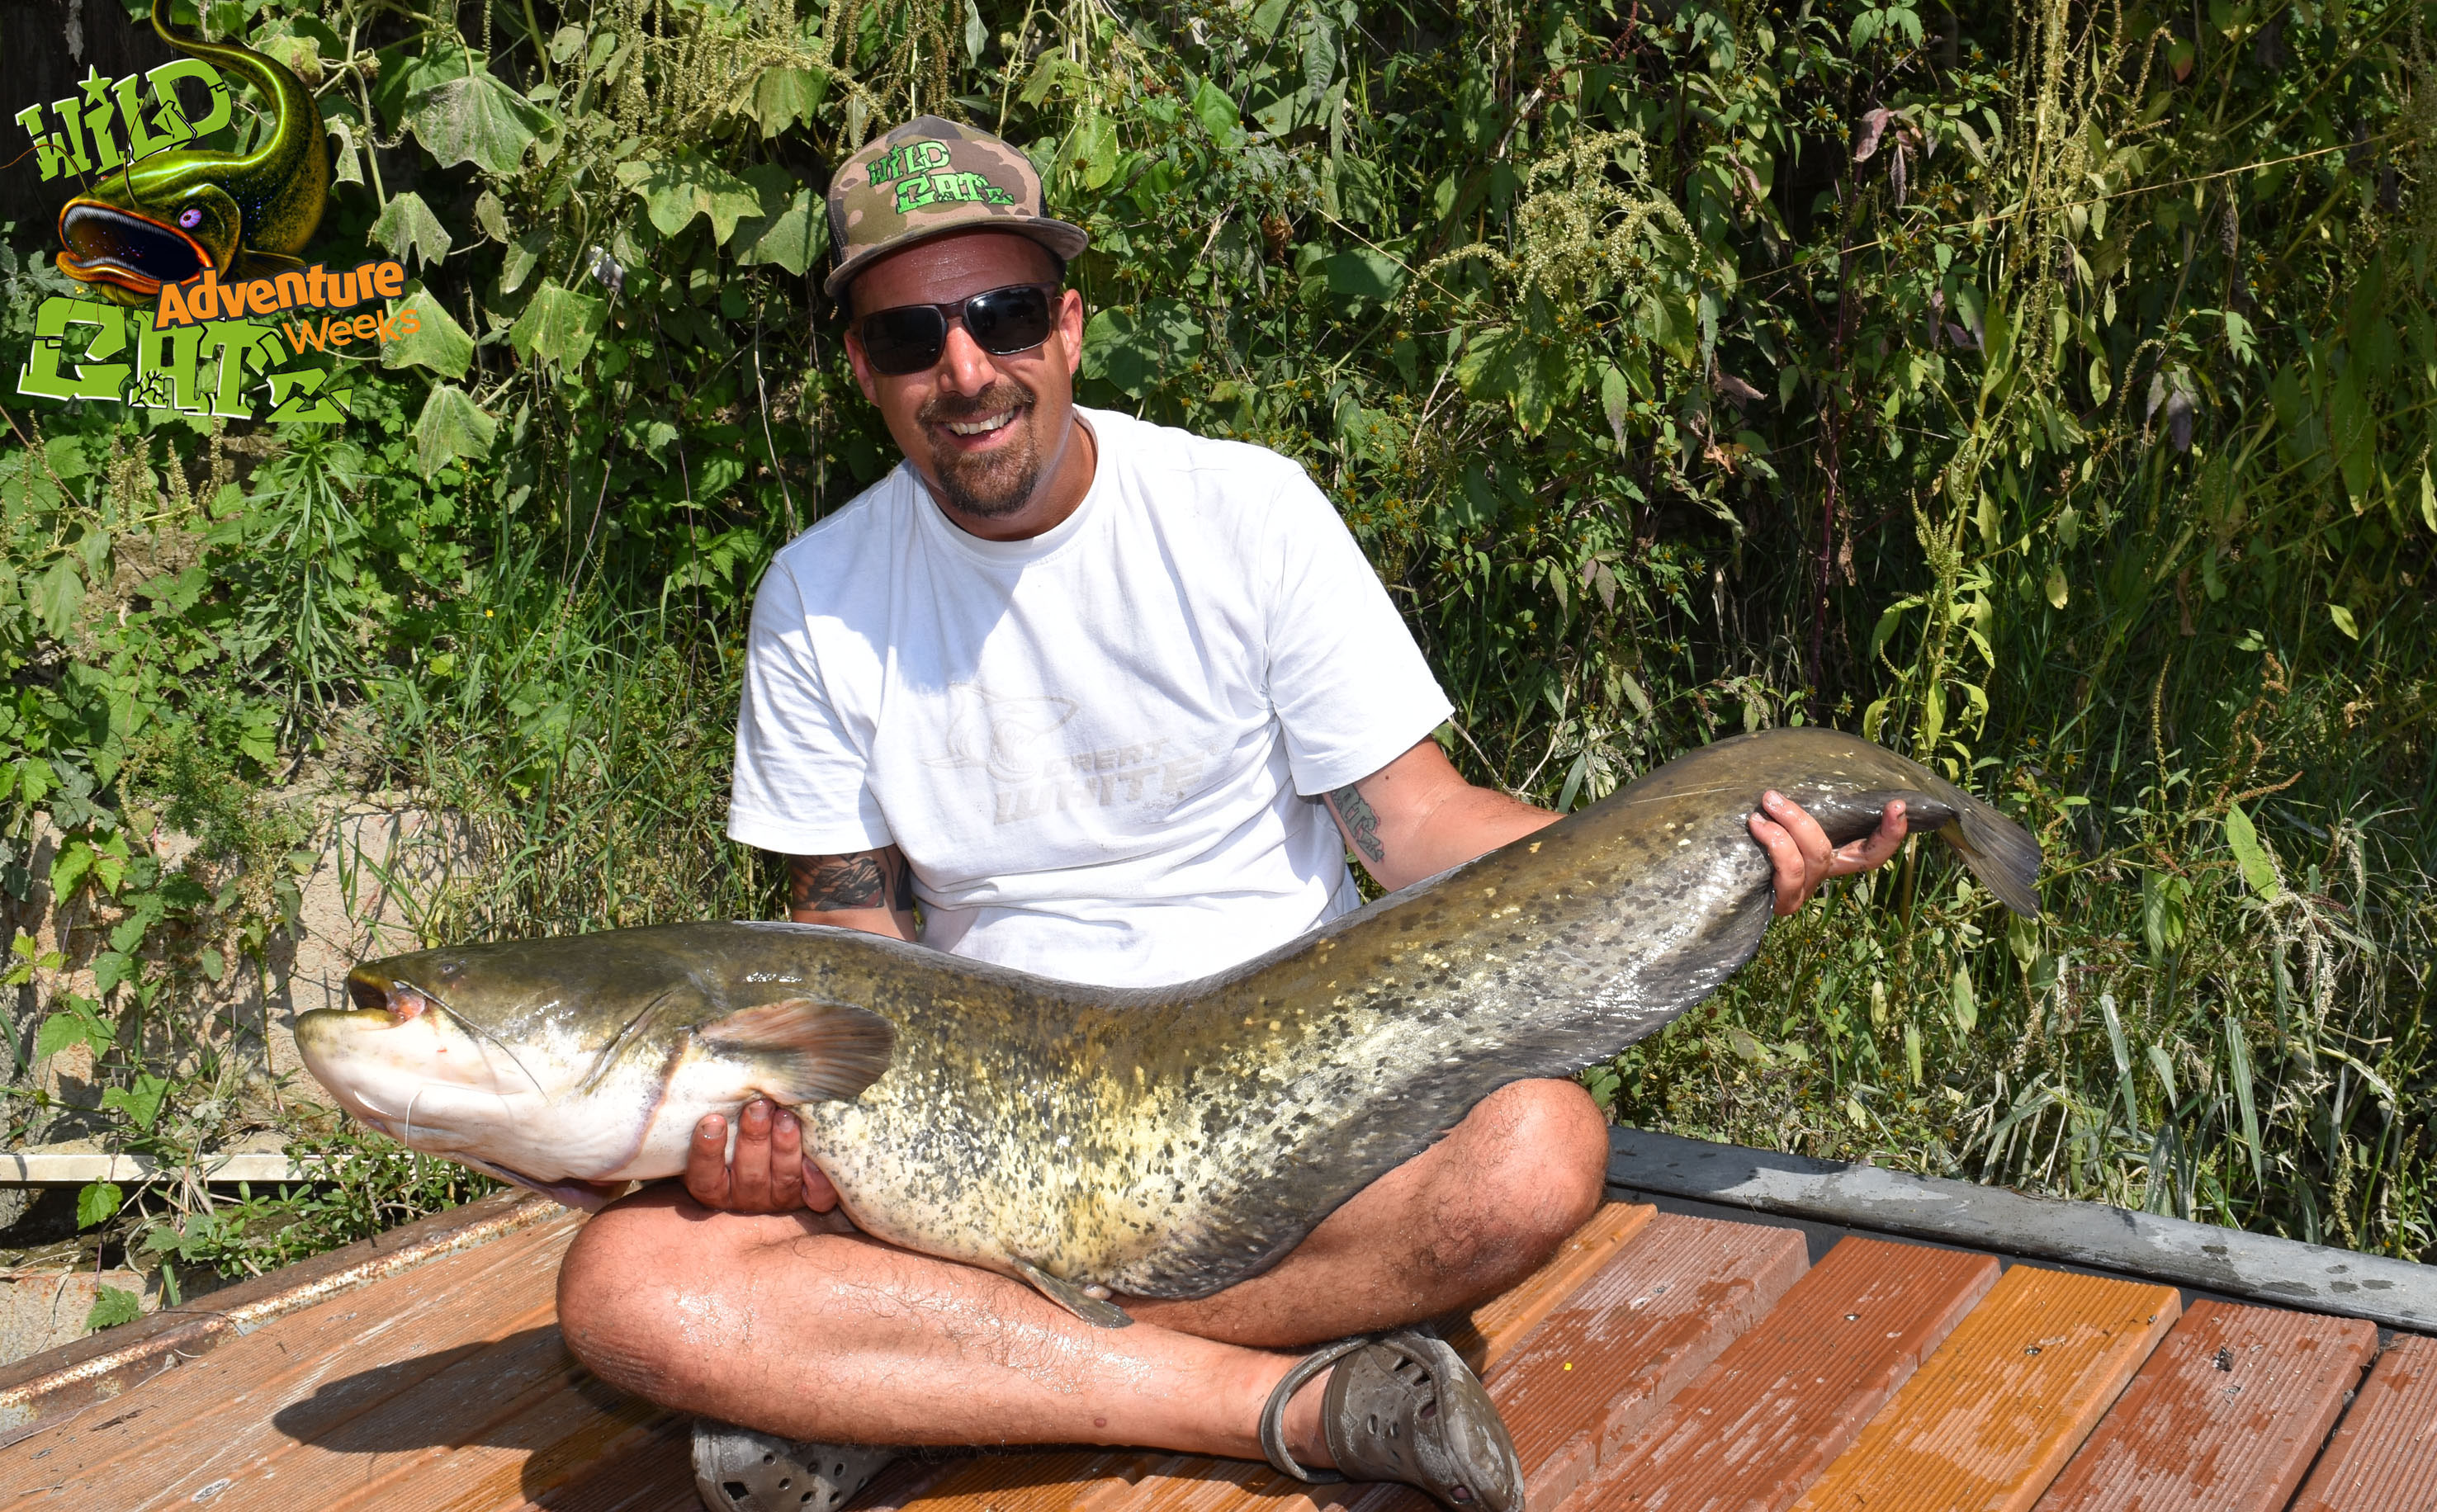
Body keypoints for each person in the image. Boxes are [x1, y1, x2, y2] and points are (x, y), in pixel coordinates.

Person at [554, 116, 1907, 1512]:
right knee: (626, 1291)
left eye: (1002, 315)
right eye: (909, 336)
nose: (965, 371)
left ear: (1069, 325)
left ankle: (925, 1369)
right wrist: (777, 1140)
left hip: (1299, 1105)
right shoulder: (816, 596)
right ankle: (1293, 1401)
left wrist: (1711, 848)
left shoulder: (1245, 511)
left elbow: (1418, 826)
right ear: (862, 370)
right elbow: (846, 936)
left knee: (1535, 1156)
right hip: (979, 1146)